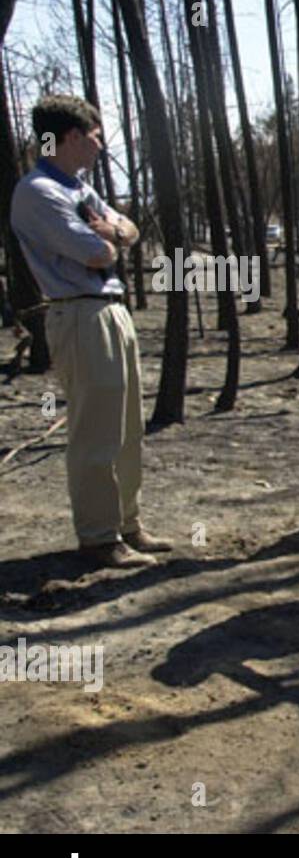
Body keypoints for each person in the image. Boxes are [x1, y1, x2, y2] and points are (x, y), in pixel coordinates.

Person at [10, 94, 171, 568]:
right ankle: (99, 537)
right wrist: (112, 236)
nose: (100, 148)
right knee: (95, 429)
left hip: (110, 311)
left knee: (126, 427)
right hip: (78, 314)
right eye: (97, 138)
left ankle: (128, 524)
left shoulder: (78, 187)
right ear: (74, 136)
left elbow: (131, 231)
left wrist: (115, 231)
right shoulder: (38, 191)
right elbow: (97, 253)